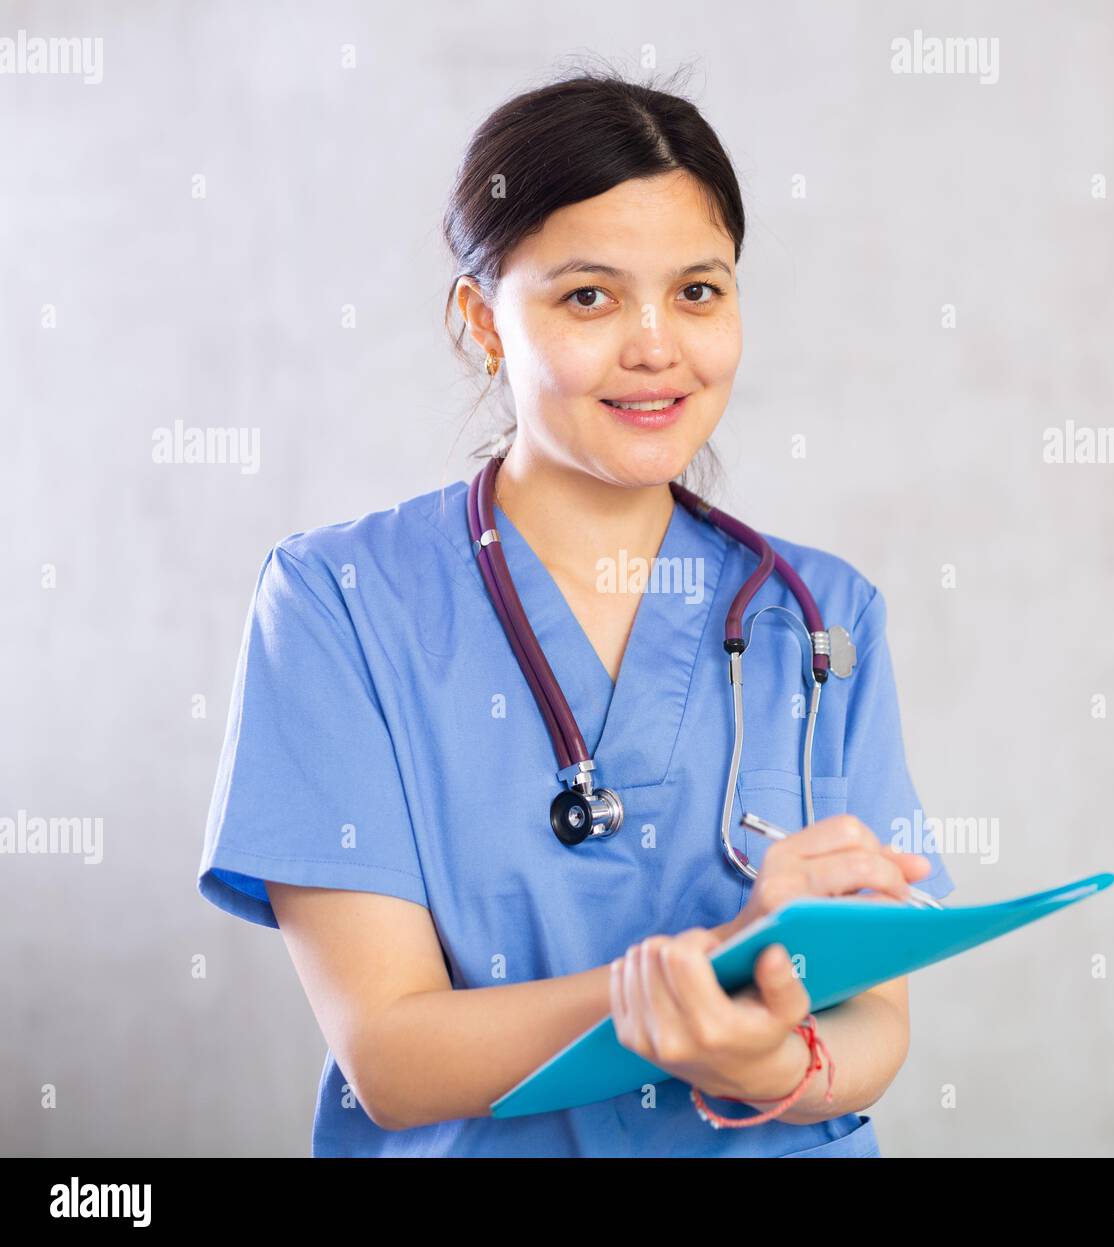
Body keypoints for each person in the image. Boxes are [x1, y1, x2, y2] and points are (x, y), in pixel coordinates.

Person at [196, 66, 955, 1158]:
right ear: (482, 323)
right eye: (588, 297)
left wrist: (764, 1062)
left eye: (698, 291)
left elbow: (873, 1022)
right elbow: (393, 1056)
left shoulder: (822, 616)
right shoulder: (340, 604)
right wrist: (713, 973)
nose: (655, 345)